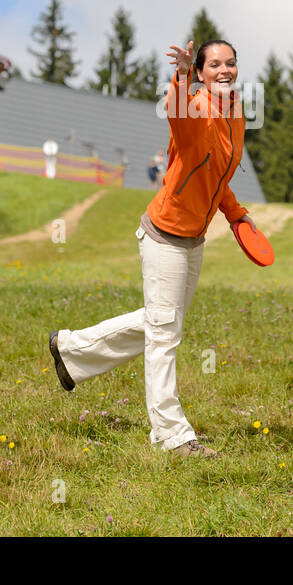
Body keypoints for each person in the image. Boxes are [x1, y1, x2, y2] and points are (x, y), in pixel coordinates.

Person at [49, 39, 256, 458]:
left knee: (163, 323)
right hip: (165, 233)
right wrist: (179, 77)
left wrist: (235, 214)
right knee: (165, 335)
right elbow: (178, 120)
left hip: (193, 237)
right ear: (200, 73)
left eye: (230, 63)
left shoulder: (235, 115)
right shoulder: (193, 106)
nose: (224, 70)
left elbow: (216, 177)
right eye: (214, 64)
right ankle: (171, 435)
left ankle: (70, 348)